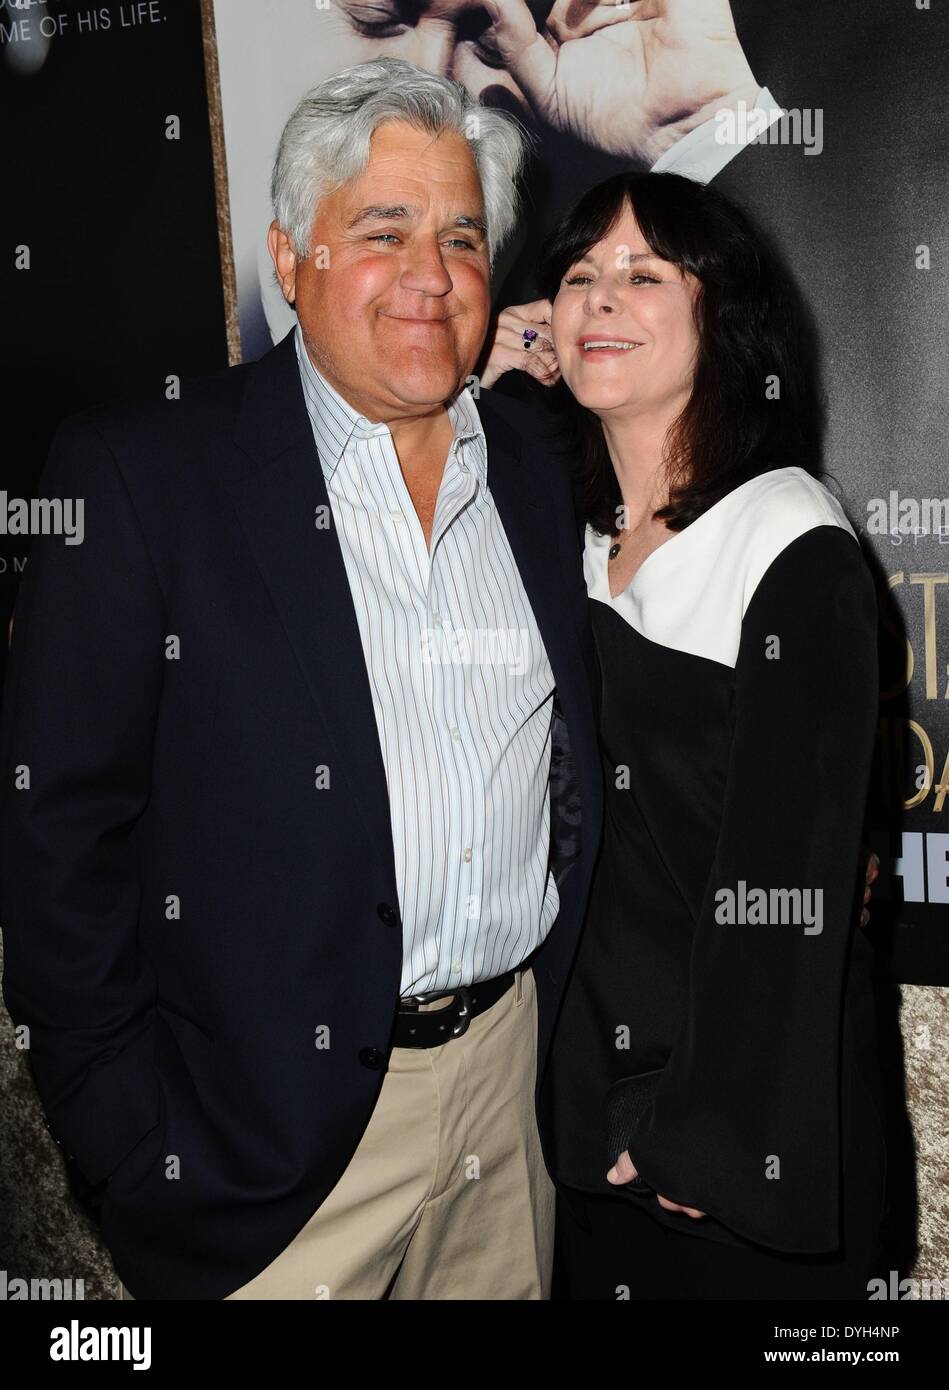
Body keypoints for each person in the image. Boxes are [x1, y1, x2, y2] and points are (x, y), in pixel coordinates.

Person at [0, 58, 604, 1300]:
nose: (430, 275)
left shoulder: (541, 470)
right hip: (262, 1158)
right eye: (381, 231)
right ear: (291, 261)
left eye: (460, 235)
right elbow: (59, 837)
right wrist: (128, 1146)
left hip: (508, 1099)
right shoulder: (140, 479)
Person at [484, 170, 887, 1298]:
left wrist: (692, 1145)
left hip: (714, 1156)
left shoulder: (788, 542)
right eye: (577, 277)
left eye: (643, 274)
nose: (600, 298)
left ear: (724, 317)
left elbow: (788, 894)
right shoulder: (556, 535)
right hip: (574, 1122)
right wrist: (486, 382)